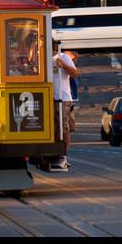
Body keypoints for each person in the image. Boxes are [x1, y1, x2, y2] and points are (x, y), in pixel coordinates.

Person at [50, 40, 78, 171]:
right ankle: (56, 153)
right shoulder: (43, 59)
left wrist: (63, 66)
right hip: (49, 98)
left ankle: (63, 156)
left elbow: (75, 73)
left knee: (64, 127)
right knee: (55, 128)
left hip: (63, 98)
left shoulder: (63, 57)